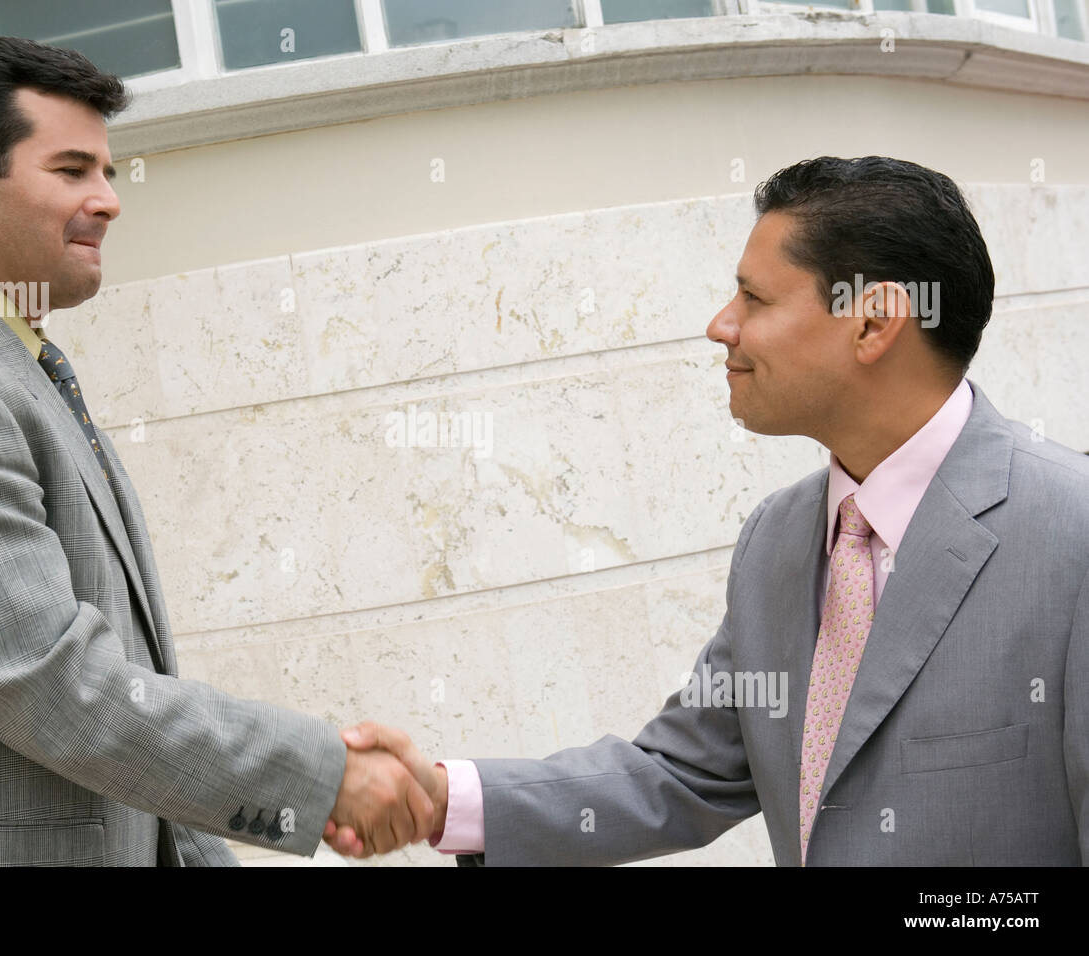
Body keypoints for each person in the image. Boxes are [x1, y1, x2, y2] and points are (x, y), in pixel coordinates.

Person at [325, 156, 1089, 866]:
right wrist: (441, 800)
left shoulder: (1070, 533)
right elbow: (678, 774)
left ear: (873, 323)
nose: (721, 325)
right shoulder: (777, 542)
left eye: (753, 298)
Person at [0, 37, 437, 866]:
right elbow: (48, 680)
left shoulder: (9, 363)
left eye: (106, 171)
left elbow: (120, 690)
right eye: (71, 171)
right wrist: (318, 775)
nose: (109, 200)